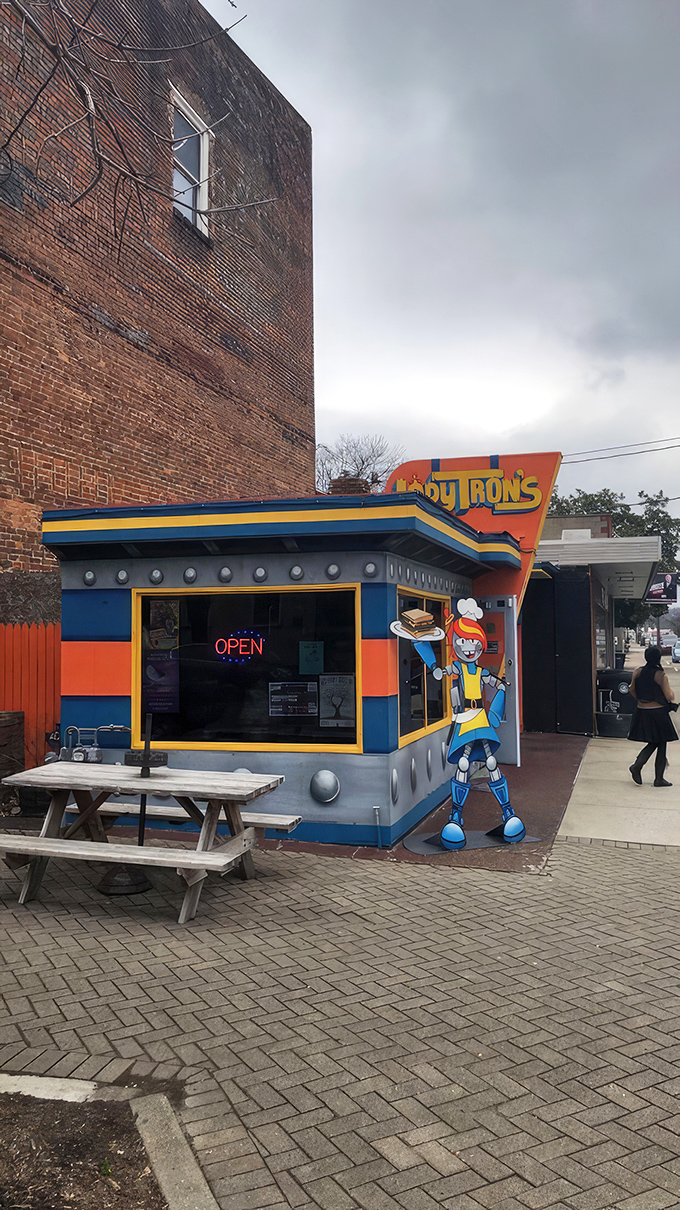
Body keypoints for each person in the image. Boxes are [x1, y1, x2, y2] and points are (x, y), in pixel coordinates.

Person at [628, 646, 677, 786]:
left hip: (642, 711)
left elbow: (632, 690)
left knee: (657, 741)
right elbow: (669, 696)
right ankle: (648, 772)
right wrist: (672, 695)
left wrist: (641, 700)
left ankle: (645, 769)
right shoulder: (660, 675)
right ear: (658, 658)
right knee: (661, 742)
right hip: (658, 713)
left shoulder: (637, 672)